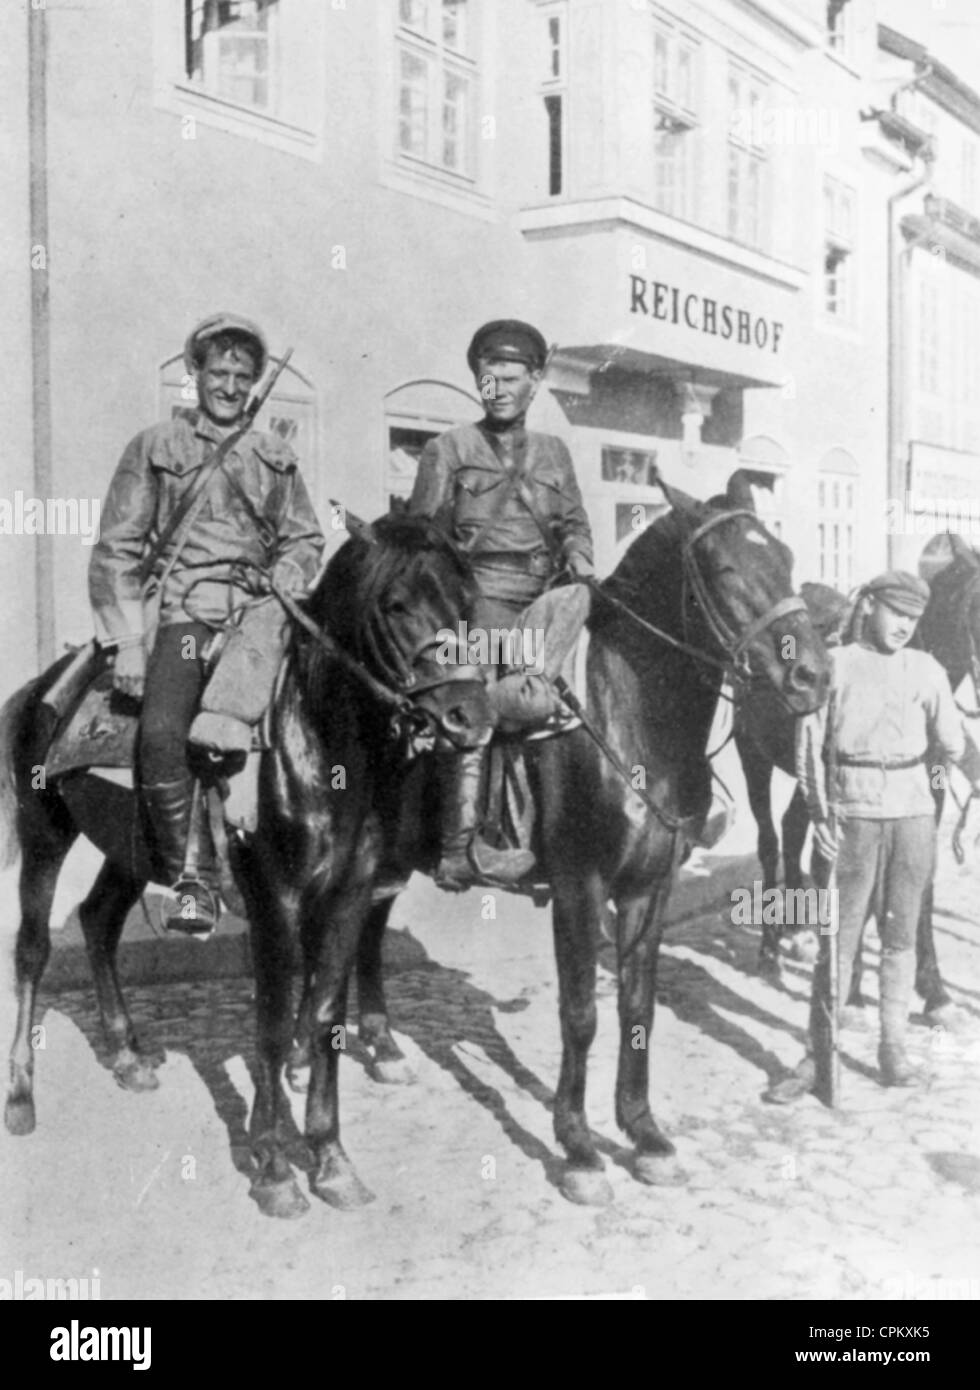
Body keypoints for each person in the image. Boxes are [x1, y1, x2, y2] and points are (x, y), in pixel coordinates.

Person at [89, 313, 325, 933]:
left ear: (253, 381)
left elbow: (304, 539)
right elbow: (116, 546)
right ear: (195, 374)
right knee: (165, 735)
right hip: (189, 616)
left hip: (260, 619)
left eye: (240, 374)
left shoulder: (276, 455)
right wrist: (129, 645)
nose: (227, 384)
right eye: (216, 371)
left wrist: (293, 573)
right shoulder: (156, 446)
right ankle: (191, 875)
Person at [766, 570, 980, 1100]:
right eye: (895, 613)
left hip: (911, 818)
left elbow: (953, 743)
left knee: (901, 941)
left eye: (913, 618)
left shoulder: (926, 670)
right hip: (851, 817)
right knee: (836, 944)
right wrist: (819, 816)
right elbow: (809, 748)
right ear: (870, 608)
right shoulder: (835, 665)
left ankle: (893, 1052)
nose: (904, 626)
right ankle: (817, 1059)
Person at [408, 318, 594, 890]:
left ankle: (584, 835)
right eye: (489, 379)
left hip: (546, 601)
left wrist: (581, 559)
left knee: (591, 701)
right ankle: (460, 848)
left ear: (535, 382)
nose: (499, 390)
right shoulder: (449, 450)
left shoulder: (554, 452)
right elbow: (420, 543)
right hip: (477, 601)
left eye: (511, 378)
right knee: (476, 711)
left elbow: (574, 525)